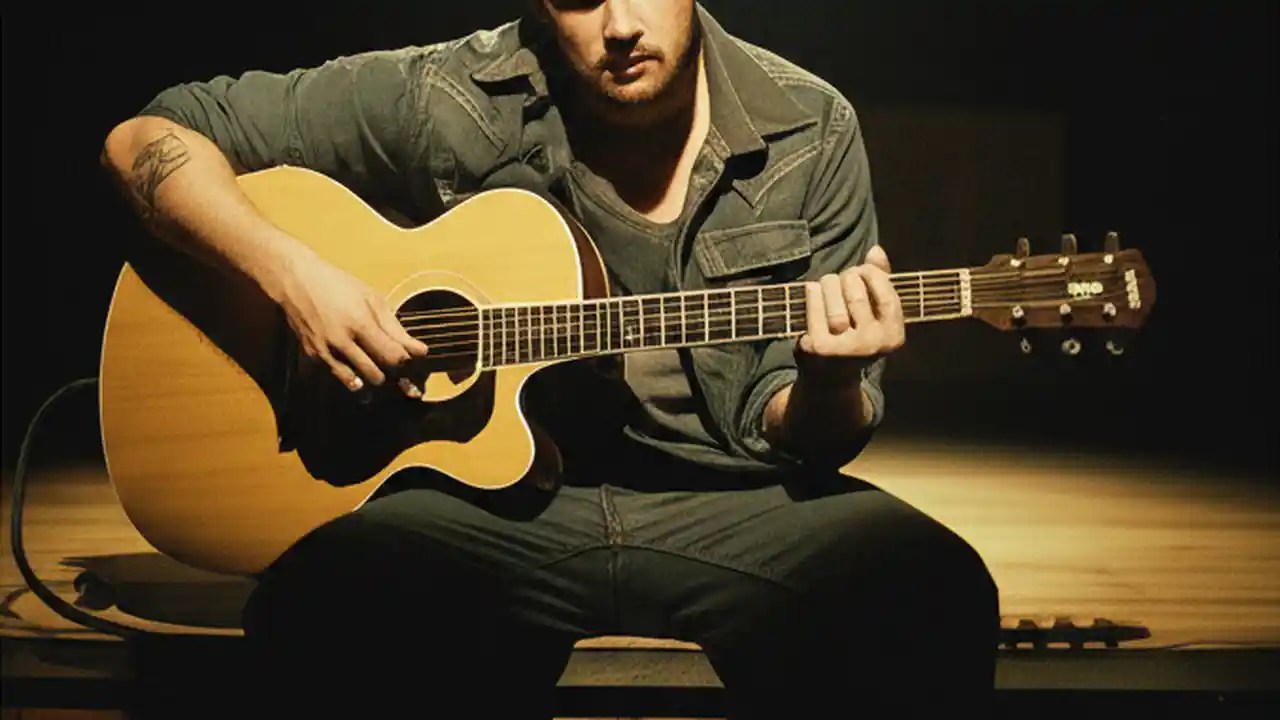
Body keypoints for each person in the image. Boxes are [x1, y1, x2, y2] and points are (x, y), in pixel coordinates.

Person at [100, 1, 998, 717]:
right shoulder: (451, 93)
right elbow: (145, 139)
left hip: (732, 501)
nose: (620, 24)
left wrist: (829, 380)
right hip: (490, 509)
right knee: (326, 604)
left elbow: (813, 436)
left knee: (930, 593)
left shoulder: (811, 127)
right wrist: (297, 279)